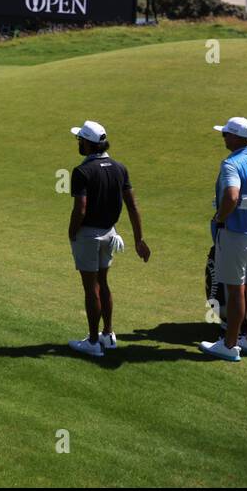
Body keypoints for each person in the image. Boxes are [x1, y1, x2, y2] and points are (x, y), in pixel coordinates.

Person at [65, 120, 151, 358]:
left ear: (89, 144)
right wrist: (139, 240)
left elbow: (80, 209)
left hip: (88, 234)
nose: (78, 143)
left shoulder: (82, 171)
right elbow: (132, 206)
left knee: (90, 287)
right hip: (110, 233)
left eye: (80, 140)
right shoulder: (119, 168)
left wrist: (72, 232)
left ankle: (93, 341)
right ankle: (108, 335)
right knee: (103, 283)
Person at [199, 116, 247, 360]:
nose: (224, 137)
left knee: (236, 289)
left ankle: (229, 345)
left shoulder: (231, 164)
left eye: (226, 134)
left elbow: (232, 196)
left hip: (236, 233)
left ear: (236, 137)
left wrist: (220, 218)